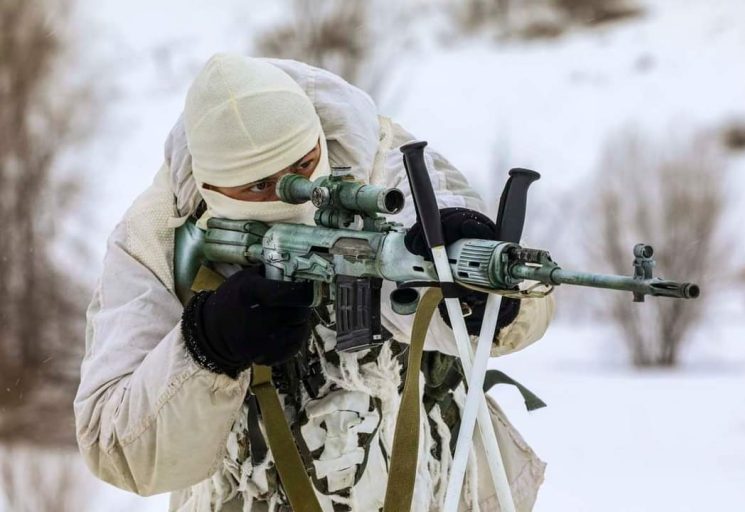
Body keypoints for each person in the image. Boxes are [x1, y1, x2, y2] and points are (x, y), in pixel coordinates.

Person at [74, 53, 555, 512]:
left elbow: (523, 301)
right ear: (209, 186)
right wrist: (207, 346)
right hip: (249, 490)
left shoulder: (389, 167)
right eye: (258, 188)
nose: (293, 191)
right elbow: (118, 451)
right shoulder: (157, 233)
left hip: (438, 483)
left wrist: (481, 297)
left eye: (303, 166)